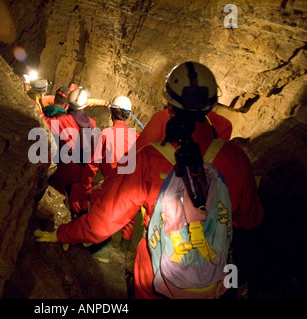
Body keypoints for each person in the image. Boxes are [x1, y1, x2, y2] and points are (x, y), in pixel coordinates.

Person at [35, 61, 264, 299]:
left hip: (156, 282)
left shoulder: (151, 157)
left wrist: (63, 233)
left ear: (169, 106)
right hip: (214, 284)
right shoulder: (235, 159)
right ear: (210, 108)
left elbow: (103, 221)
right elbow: (251, 220)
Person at [68, 96, 140, 262]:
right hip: (128, 189)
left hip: (108, 188)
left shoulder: (107, 134)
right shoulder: (137, 137)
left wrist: (86, 185)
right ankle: (123, 249)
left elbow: (93, 164)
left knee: (78, 191)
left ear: (110, 113)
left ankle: (95, 240)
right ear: (128, 116)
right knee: (129, 210)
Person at [48, 88, 97, 197]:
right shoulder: (92, 123)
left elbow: (43, 121)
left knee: (57, 194)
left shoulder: (64, 121)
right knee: (76, 198)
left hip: (66, 168)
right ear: (85, 105)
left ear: (68, 103)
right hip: (83, 169)